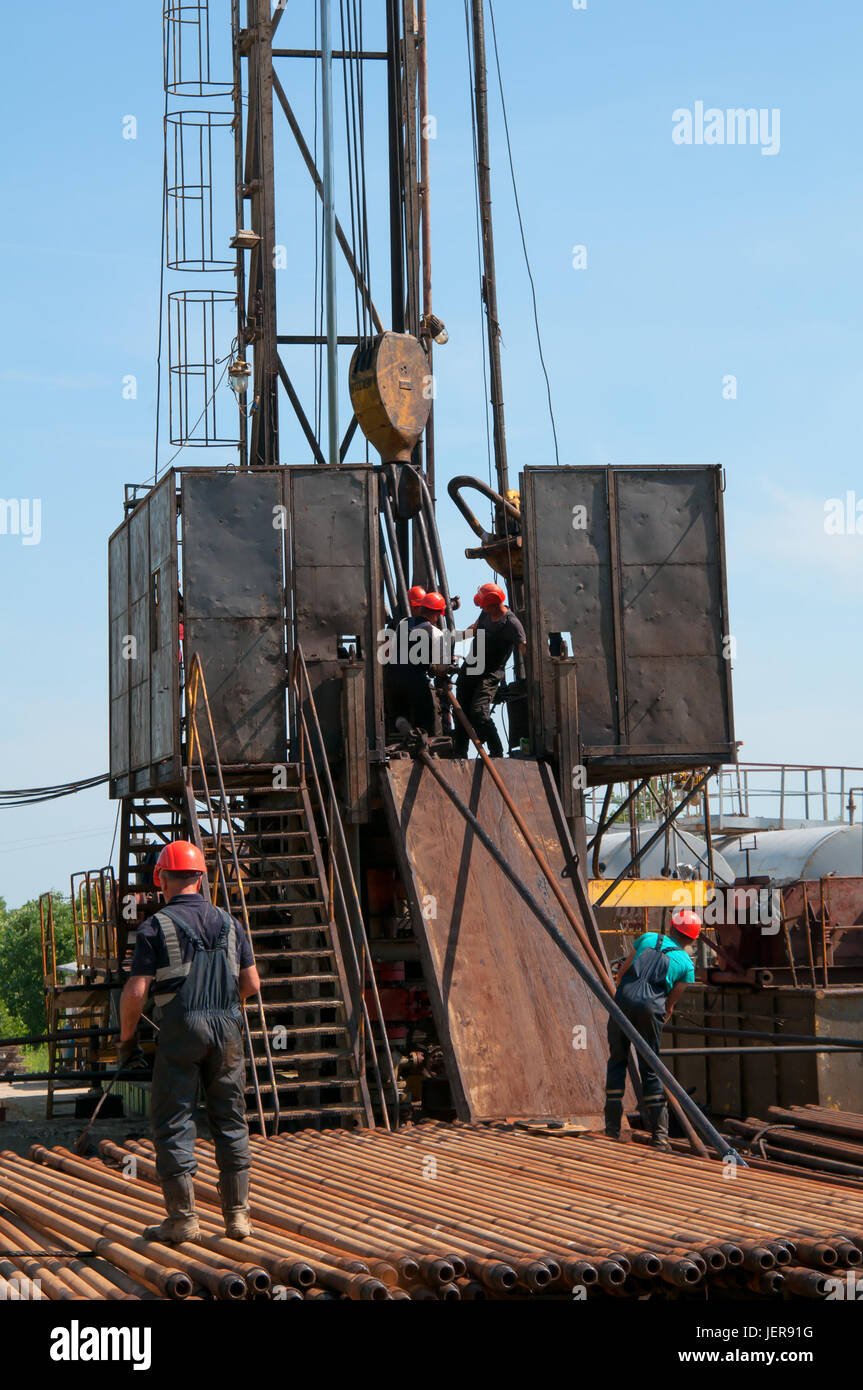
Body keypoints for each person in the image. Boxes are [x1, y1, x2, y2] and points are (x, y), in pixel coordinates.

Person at [118, 840, 260, 1243]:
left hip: (181, 1033)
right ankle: (237, 1218)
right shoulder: (232, 924)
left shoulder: (154, 927)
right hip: (228, 1030)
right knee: (231, 1121)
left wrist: (127, 1040)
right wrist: (221, 1006)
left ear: (160, 877)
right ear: (200, 877)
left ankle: (183, 1220)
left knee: (175, 1121)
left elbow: (135, 992)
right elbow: (251, 984)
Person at [604, 907, 699, 1150]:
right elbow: (669, 1005)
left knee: (617, 1060)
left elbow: (622, 974)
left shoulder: (647, 939)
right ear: (692, 939)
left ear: (670, 928)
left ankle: (612, 1129)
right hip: (650, 1010)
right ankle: (660, 1137)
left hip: (623, 1001)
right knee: (650, 1068)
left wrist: (625, 999)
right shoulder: (687, 965)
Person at [454, 582, 526, 757]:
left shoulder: (511, 624)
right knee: (460, 713)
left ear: (494, 603)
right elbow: (474, 628)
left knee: (479, 713)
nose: (481, 607)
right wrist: (453, 639)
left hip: (489, 676)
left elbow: (524, 648)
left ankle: (496, 753)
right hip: (470, 669)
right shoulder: (485, 614)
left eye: (484, 605)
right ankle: (460, 754)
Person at [384, 591, 446, 737]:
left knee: (399, 714)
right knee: (425, 721)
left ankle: (401, 723)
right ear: (437, 615)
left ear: (421, 608)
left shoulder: (403, 623)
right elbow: (442, 669)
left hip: (392, 678)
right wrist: (434, 668)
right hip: (415, 680)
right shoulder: (436, 634)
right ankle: (422, 743)